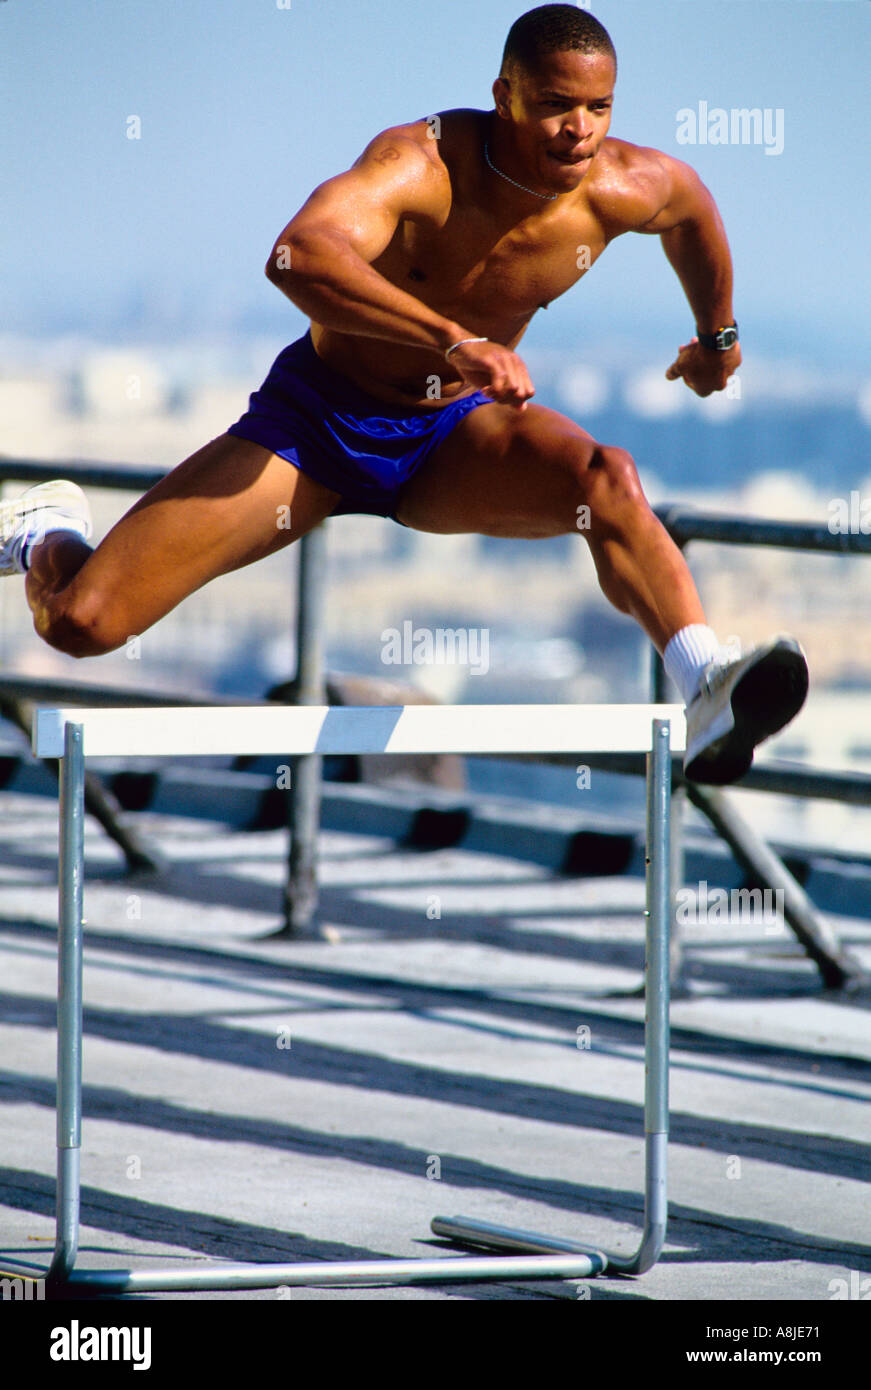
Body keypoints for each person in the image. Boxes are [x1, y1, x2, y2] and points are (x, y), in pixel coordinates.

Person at [0, 4, 807, 784]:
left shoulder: (622, 184)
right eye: (556, 106)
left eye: (599, 107)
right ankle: (46, 535)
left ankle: (704, 687)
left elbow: (692, 210)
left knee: (608, 481)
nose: (580, 130)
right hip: (314, 429)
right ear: (505, 97)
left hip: (447, 435)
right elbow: (297, 258)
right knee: (81, 624)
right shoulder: (421, 164)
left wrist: (716, 341)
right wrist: (452, 340)